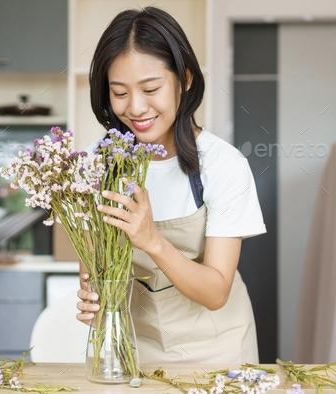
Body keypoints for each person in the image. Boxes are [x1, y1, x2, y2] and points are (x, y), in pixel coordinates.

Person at [76, 6, 266, 364]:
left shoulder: (223, 165)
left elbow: (215, 292)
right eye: (119, 93)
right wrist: (91, 293)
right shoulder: (93, 164)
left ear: (186, 79)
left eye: (151, 88)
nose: (135, 107)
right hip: (128, 349)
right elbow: (92, 266)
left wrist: (151, 240)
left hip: (215, 353)